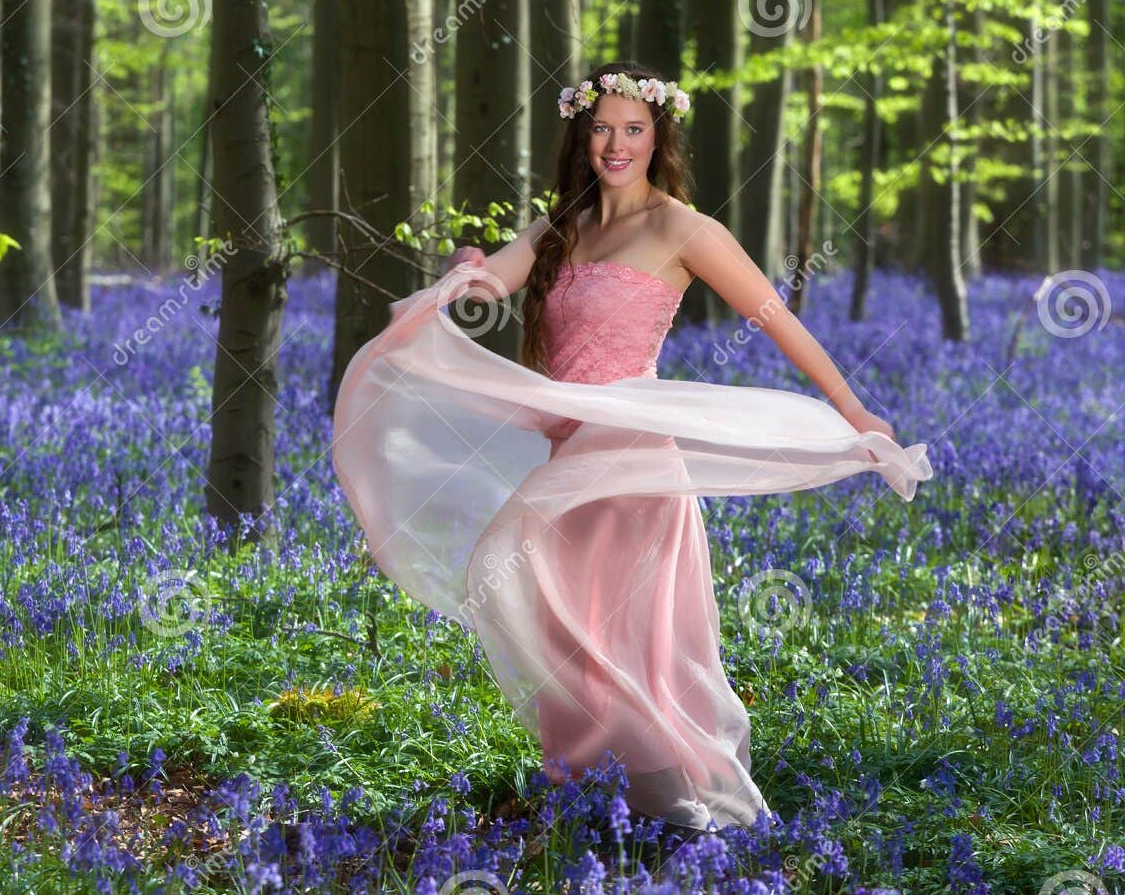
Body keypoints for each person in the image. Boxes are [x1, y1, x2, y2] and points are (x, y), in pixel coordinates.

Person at [330, 60, 934, 834]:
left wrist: (855, 412)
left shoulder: (681, 227)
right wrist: (466, 272)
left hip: (636, 460)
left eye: (634, 129)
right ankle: (602, 794)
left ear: (659, 136)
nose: (616, 144)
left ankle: (682, 802)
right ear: (583, 134)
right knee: (549, 614)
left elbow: (776, 318)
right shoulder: (563, 227)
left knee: (630, 638)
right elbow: (495, 285)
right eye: (602, 128)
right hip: (570, 458)